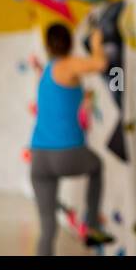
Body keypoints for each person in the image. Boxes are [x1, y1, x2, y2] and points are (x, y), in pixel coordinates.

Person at [30, 21, 115, 254]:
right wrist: (97, 42)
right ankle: (93, 227)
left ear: (48, 45)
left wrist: (83, 100)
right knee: (96, 166)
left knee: (47, 229)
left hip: (39, 158)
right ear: (70, 42)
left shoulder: (47, 71)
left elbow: (58, 103)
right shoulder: (68, 64)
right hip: (65, 153)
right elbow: (100, 63)